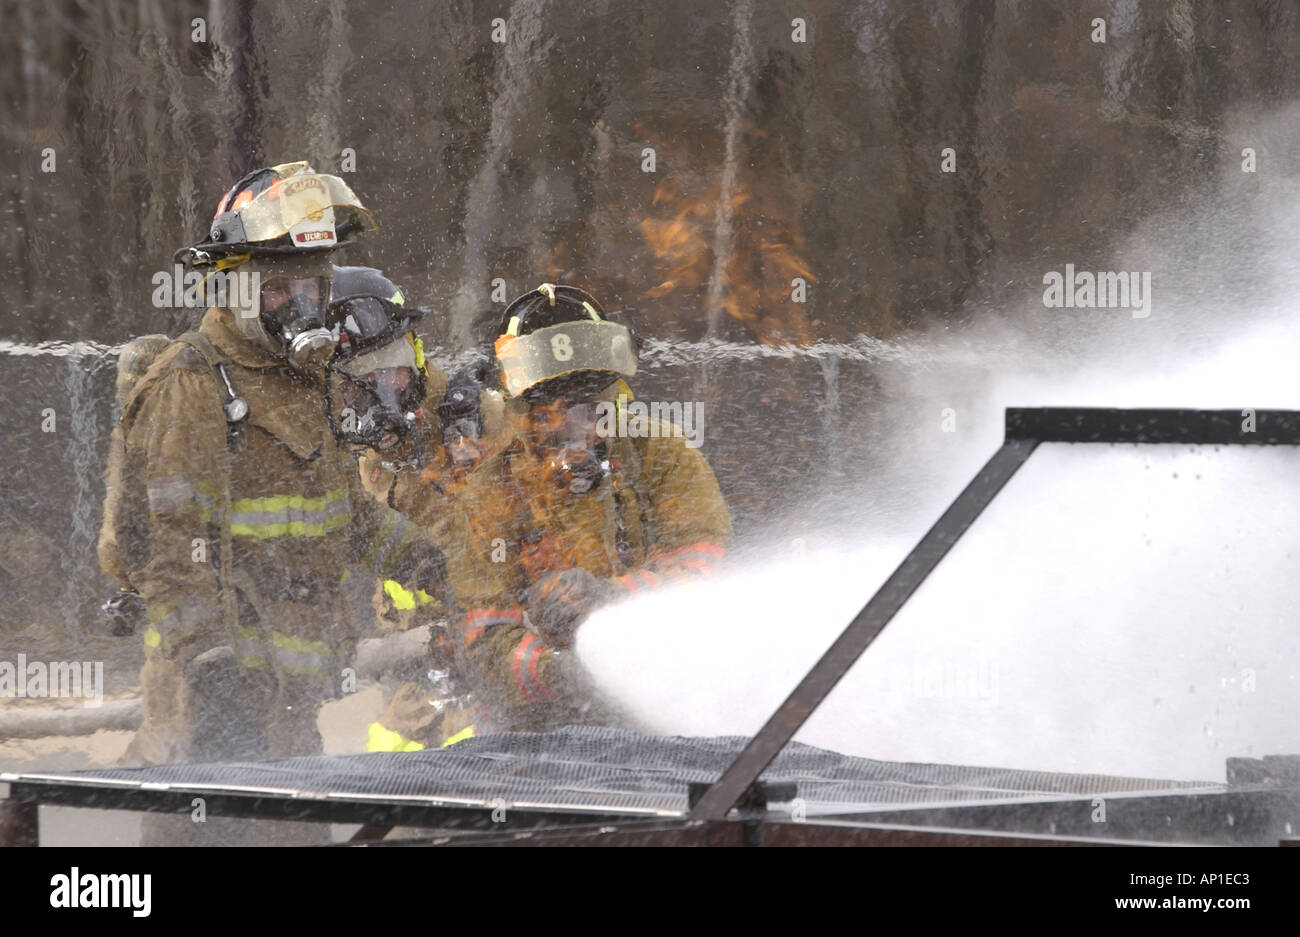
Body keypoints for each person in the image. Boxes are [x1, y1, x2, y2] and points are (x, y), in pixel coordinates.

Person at [111, 161, 449, 768]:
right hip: (205, 707)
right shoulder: (192, 384)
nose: (301, 306)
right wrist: (212, 674)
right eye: (277, 290)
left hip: (290, 705)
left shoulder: (304, 381)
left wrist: (428, 561)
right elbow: (164, 546)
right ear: (232, 289)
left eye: (311, 289)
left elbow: (347, 517)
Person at [358, 283, 731, 741]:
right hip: (538, 737)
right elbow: (483, 638)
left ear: (613, 393)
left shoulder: (660, 454)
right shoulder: (489, 492)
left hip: (671, 711)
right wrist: (560, 673)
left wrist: (614, 595)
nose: (569, 424)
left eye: (585, 402)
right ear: (518, 409)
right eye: (547, 408)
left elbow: (706, 570)